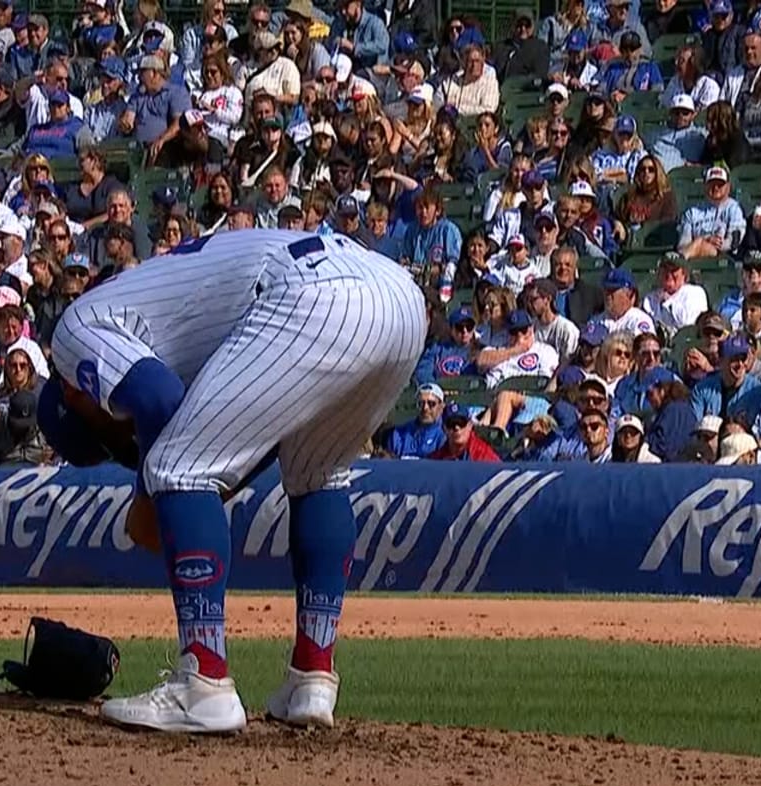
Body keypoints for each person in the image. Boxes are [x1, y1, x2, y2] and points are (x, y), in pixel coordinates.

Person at [41, 230, 424, 733]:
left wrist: (151, 494)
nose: (122, 429)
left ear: (74, 394)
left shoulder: (73, 334)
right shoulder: (163, 329)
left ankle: (203, 684)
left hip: (312, 295)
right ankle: (311, 679)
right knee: (318, 472)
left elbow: (156, 400)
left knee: (177, 467)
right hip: (398, 297)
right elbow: (255, 443)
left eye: (108, 425)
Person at [386, 382, 447, 457]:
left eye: (431, 404)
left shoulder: (445, 436)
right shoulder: (399, 434)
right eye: (421, 403)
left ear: (441, 407)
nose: (425, 408)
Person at [428, 404, 499, 461]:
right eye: (451, 424)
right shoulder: (437, 459)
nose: (457, 428)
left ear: (470, 426)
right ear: (444, 428)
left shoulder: (484, 456)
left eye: (461, 422)